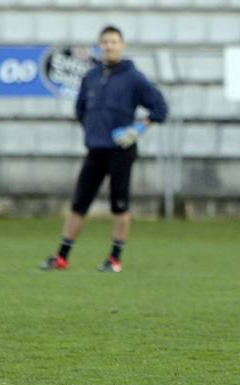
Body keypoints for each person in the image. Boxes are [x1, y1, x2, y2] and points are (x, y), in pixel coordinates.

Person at [40, 25, 167, 273]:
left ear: (122, 45)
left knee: (119, 205)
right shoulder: (91, 76)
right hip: (95, 150)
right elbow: (80, 110)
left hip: (121, 151)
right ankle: (62, 256)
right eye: (105, 42)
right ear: (99, 46)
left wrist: (138, 129)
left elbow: (160, 108)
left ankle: (114, 259)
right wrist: (91, 129)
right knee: (79, 204)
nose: (109, 46)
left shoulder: (133, 78)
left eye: (114, 42)